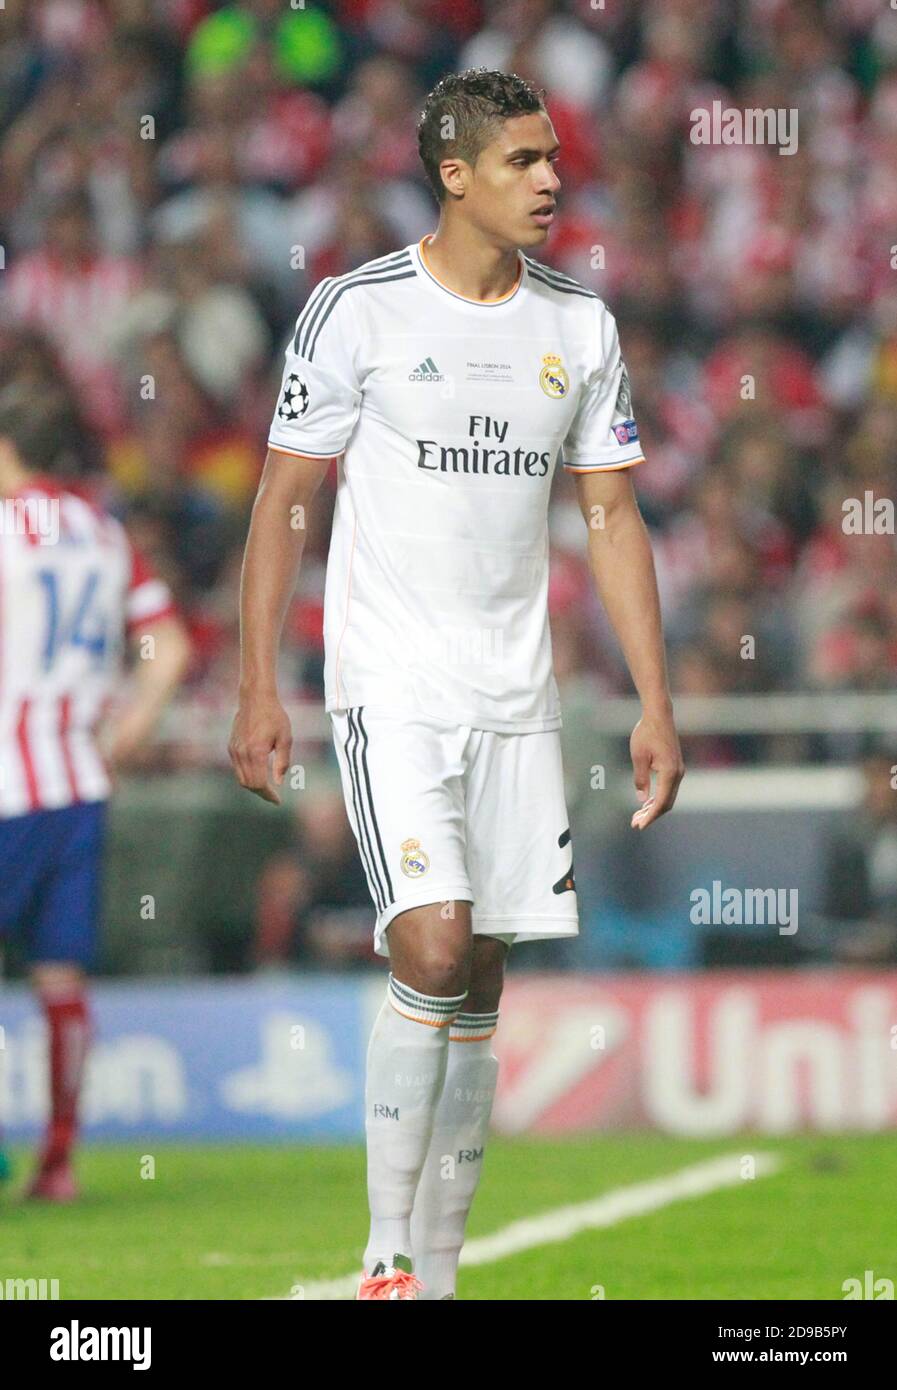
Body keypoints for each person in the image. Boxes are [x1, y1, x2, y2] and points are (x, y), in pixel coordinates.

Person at [229, 68, 684, 1300]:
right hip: (390, 685)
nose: (552, 178)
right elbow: (285, 499)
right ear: (455, 173)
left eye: (553, 159)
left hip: (516, 695)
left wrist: (654, 698)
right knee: (429, 944)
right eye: (525, 160)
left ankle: (437, 1274)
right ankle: (381, 1256)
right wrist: (259, 685)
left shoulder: (578, 324)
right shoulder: (355, 311)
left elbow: (610, 514)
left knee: (481, 969)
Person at [0, 383, 191, 1201]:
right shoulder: (104, 533)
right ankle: (60, 1159)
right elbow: (171, 647)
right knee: (60, 976)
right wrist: (118, 739)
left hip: (7, 782)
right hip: (79, 781)